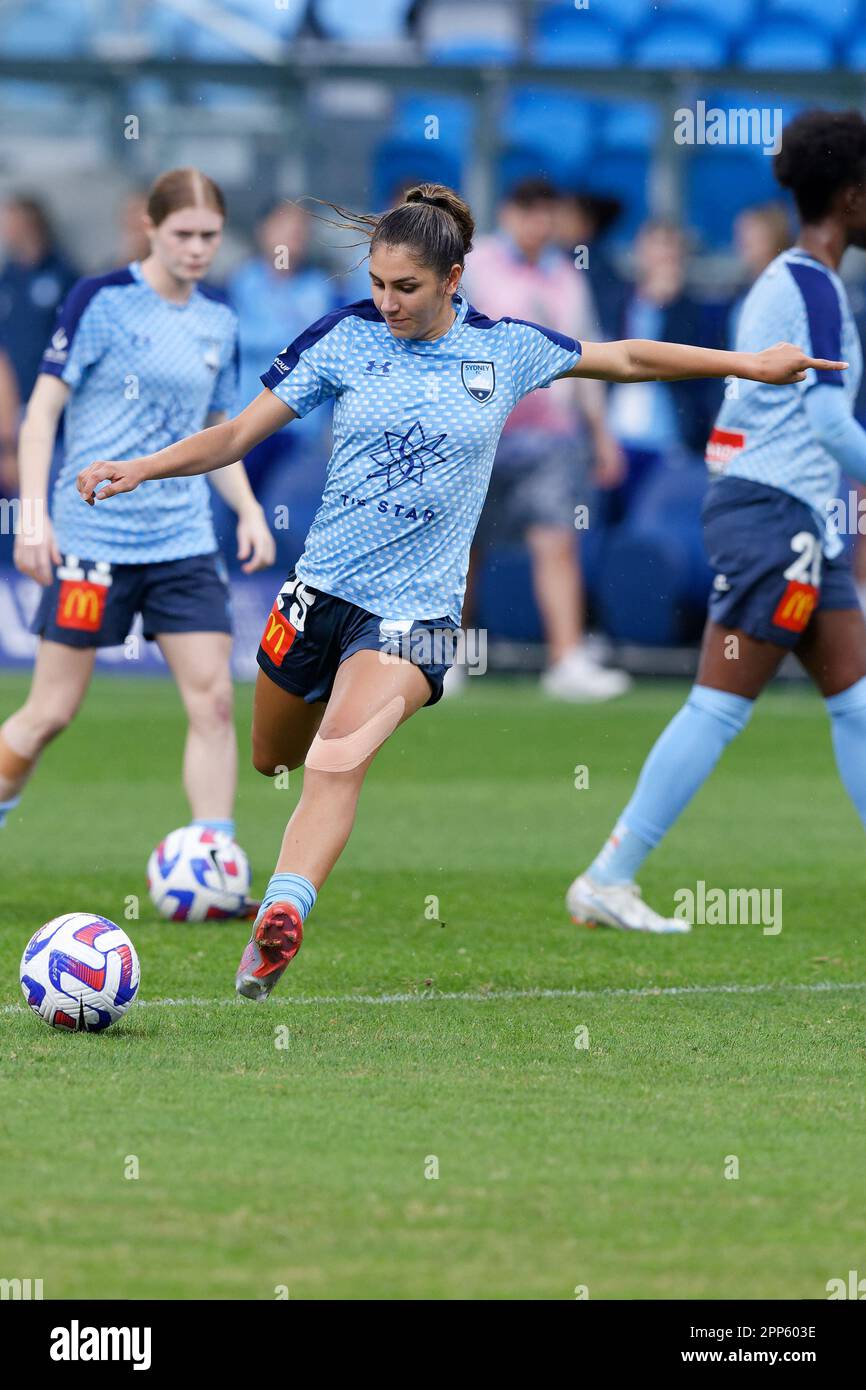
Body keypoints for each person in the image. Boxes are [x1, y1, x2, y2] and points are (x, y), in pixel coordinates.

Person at [75, 181, 840, 997]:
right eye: (377, 284)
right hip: (317, 594)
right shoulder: (343, 338)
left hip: (418, 618)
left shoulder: (506, 349)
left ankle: (283, 911)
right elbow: (233, 434)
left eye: (406, 287)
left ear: (452, 277)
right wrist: (145, 467)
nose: (387, 302)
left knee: (337, 757)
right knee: (275, 758)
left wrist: (748, 364)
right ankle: (290, 848)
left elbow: (625, 358)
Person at [568, 110, 866, 934]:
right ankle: (609, 875)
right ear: (850, 196)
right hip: (773, 512)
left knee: (856, 702)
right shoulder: (811, 285)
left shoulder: (795, 281)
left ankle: (610, 877)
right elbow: (830, 424)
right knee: (719, 703)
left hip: (796, 517)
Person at [0, 167, 275, 882]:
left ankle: (211, 869)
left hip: (183, 543)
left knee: (214, 700)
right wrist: (32, 518)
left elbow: (217, 430)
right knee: (51, 711)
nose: (198, 248)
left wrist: (248, 508)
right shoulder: (100, 300)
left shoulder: (219, 318)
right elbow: (41, 415)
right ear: (149, 227)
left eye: (210, 235)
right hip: (93, 541)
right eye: (184, 234)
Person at [461, 177, 629, 700]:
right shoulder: (475, 265)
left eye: (546, 214)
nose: (538, 224)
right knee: (462, 547)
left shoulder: (567, 275)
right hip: (479, 435)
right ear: (508, 213)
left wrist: (601, 434)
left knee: (556, 541)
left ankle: (566, 659)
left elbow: (587, 354)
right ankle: (447, 656)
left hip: (551, 439)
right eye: (529, 212)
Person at [0, 194, 79, 402]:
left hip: (54, 395)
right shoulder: (8, 279)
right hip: (13, 397)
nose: (6, 230)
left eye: (12, 223)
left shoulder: (63, 274)